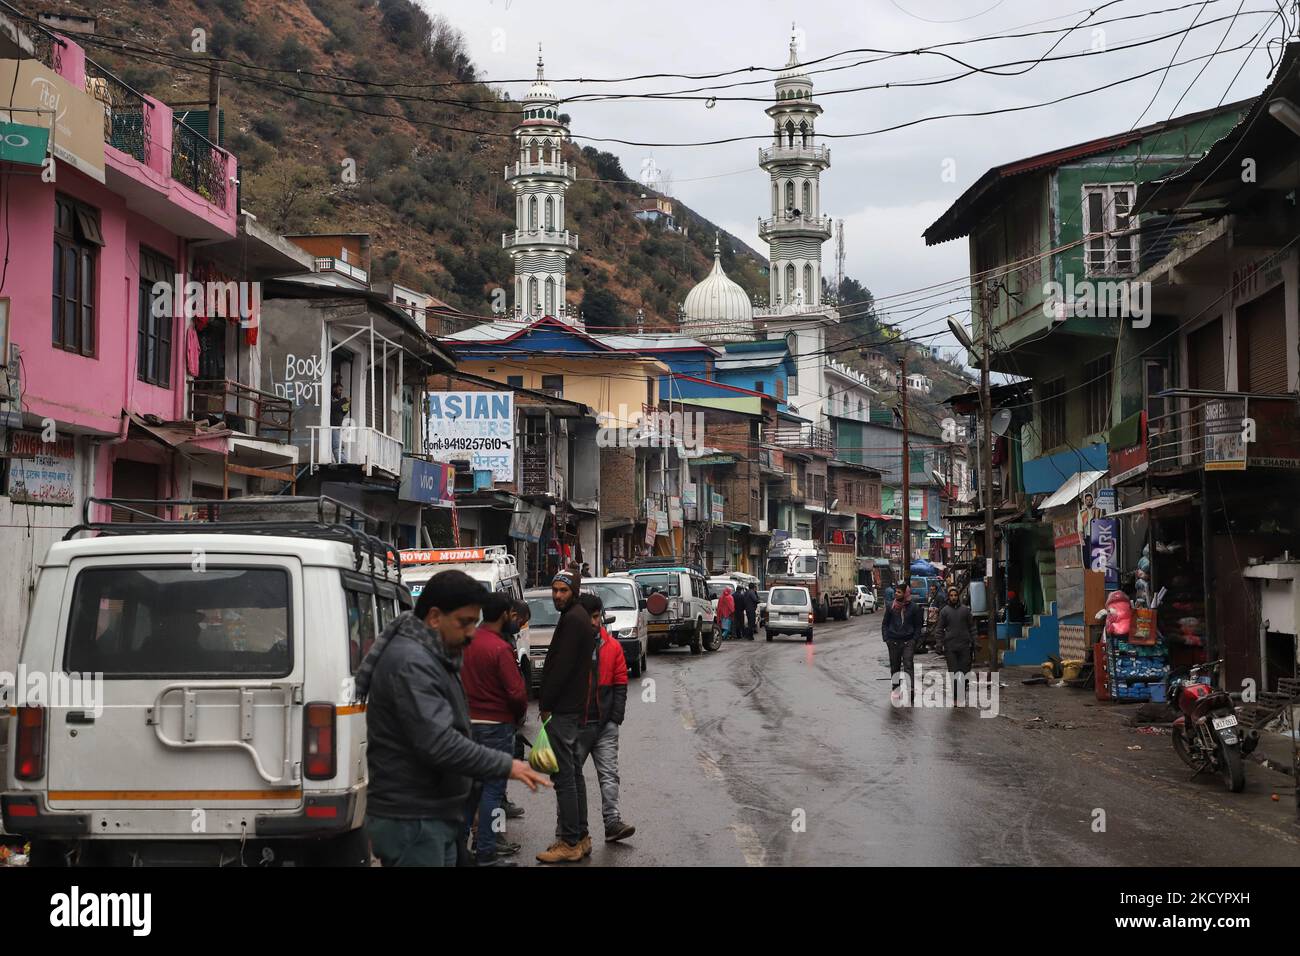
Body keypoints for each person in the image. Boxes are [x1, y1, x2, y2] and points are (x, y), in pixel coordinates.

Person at [359, 570, 550, 867]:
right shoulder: (412, 662)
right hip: (413, 818)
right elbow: (438, 743)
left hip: (429, 812)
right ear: (435, 617)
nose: (472, 632)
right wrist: (505, 764)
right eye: (464, 622)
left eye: (474, 622)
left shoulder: (433, 653)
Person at [459, 592, 529, 866]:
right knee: (492, 790)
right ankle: (486, 853)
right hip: (495, 728)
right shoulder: (500, 648)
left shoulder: (464, 642)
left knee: (469, 792)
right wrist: (517, 714)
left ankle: (458, 852)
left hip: (466, 727)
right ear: (503, 615)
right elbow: (516, 693)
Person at [536, 567, 597, 864]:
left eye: (563, 590)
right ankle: (580, 836)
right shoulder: (575, 617)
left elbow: (562, 668)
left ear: (574, 591)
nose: (558, 595)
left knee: (564, 777)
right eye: (555, 590)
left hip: (563, 709)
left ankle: (570, 840)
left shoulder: (574, 620)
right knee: (572, 773)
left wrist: (546, 702)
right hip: (571, 708)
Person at [574, 594, 636, 844]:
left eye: (596, 616)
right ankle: (571, 830)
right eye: (588, 617)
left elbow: (621, 683)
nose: (592, 622)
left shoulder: (612, 647)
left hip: (604, 725)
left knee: (609, 775)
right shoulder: (570, 645)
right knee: (570, 779)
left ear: (601, 616)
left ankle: (612, 823)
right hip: (575, 725)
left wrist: (614, 718)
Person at [501, 600, 533, 822]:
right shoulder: (498, 642)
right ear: (512, 614)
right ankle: (488, 843)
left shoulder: (506, 638)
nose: (520, 627)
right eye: (520, 622)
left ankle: (500, 801)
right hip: (498, 717)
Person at [881, 584, 924, 705]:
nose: (896, 594)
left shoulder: (914, 608)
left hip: (908, 641)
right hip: (893, 641)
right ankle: (896, 689)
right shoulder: (891, 606)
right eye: (896, 592)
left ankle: (911, 689)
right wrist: (887, 639)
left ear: (905, 594)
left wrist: (914, 640)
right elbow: (885, 624)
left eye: (899, 592)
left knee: (908, 664)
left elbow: (918, 626)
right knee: (895, 666)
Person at [938, 586, 978, 699]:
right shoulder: (944, 611)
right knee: (954, 672)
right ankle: (957, 697)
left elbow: (972, 628)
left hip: (965, 646)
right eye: (951, 595)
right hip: (950, 647)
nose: (954, 597)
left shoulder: (965, 610)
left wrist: (975, 641)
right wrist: (939, 644)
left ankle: (962, 689)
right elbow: (939, 629)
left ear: (958, 596)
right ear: (948, 597)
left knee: (965, 671)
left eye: (955, 595)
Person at [330, 382, 351, 464]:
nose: (340, 392)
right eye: (339, 390)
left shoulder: (339, 401)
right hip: (333, 426)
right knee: (337, 446)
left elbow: (343, 412)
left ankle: (342, 460)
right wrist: (345, 400)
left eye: (341, 390)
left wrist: (346, 406)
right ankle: (343, 462)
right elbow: (334, 407)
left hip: (339, 426)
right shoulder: (330, 398)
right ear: (334, 389)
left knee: (340, 446)